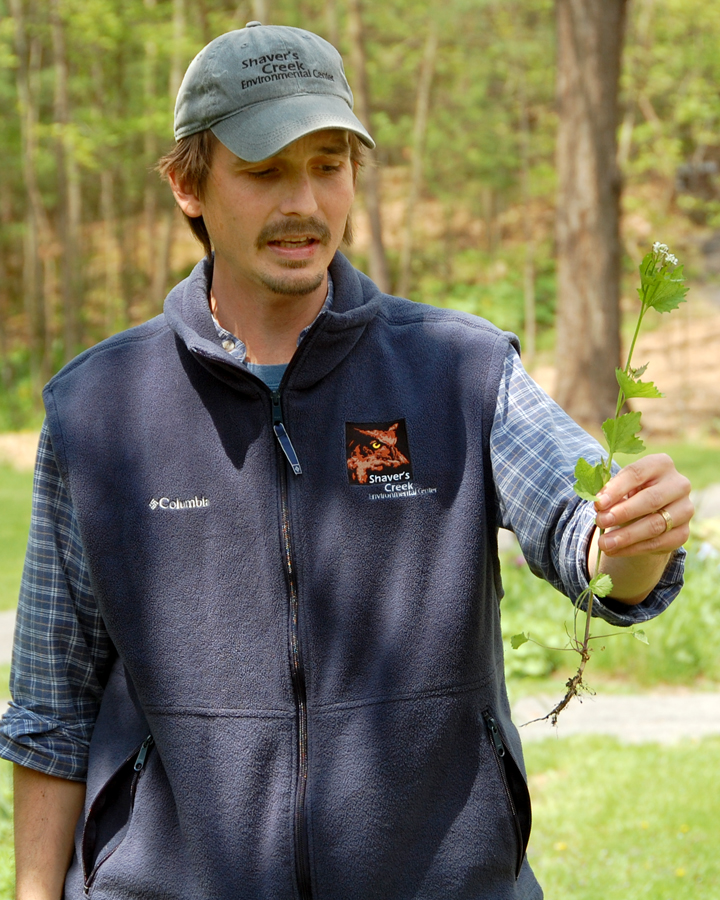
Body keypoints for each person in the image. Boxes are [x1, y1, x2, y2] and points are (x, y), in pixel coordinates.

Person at [1, 22, 693, 900]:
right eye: (264, 171)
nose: (304, 203)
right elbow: (51, 710)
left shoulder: (463, 369)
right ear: (188, 185)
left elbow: (588, 540)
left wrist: (634, 534)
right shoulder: (97, 409)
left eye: (329, 165)